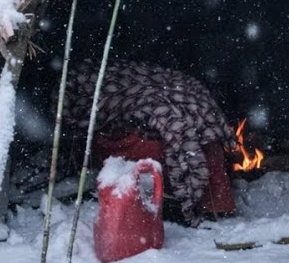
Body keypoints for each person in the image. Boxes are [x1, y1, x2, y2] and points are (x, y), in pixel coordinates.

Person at [57, 58, 234, 226]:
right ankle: (207, 199)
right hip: (160, 100)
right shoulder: (89, 76)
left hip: (183, 99)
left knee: (179, 113)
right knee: (173, 116)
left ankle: (205, 199)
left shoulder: (152, 79)